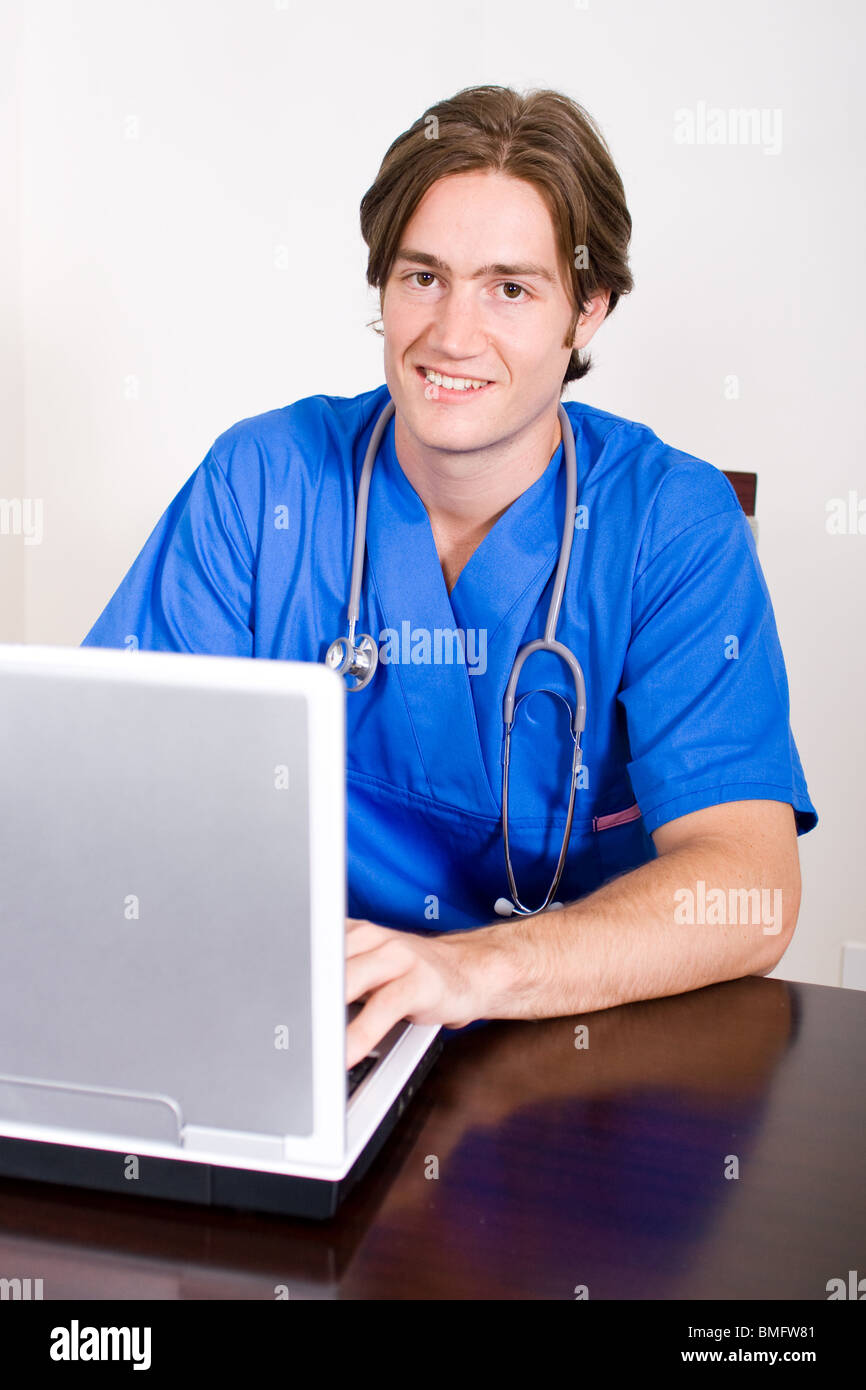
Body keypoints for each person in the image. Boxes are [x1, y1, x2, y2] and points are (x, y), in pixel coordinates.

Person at [80, 85, 817, 1069]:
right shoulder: (263, 483)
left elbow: (749, 889)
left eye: (509, 288)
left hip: (578, 1065)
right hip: (310, 1034)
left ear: (586, 310)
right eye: (423, 278)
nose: (452, 334)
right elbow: (106, 784)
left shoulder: (669, 526)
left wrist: (471, 972)